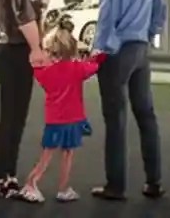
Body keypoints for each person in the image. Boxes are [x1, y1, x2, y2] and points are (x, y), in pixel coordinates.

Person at [90, 0, 167, 201]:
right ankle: (153, 181)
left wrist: (99, 50)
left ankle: (116, 185)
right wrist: (150, 34)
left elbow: (107, 15)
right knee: (146, 114)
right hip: (140, 50)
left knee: (116, 119)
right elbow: (160, 7)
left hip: (118, 52)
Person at [0, 0, 52, 199]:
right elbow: (24, 18)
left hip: (8, 50)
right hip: (14, 51)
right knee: (12, 117)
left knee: (15, 117)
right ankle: (4, 178)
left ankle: (8, 176)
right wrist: (38, 49)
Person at [15, 21, 107, 204]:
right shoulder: (77, 68)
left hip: (55, 121)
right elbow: (95, 64)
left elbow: (37, 69)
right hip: (73, 120)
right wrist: (101, 54)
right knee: (67, 154)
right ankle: (60, 188)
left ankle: (34, 183)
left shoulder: (46, 73)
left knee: (47, 155)